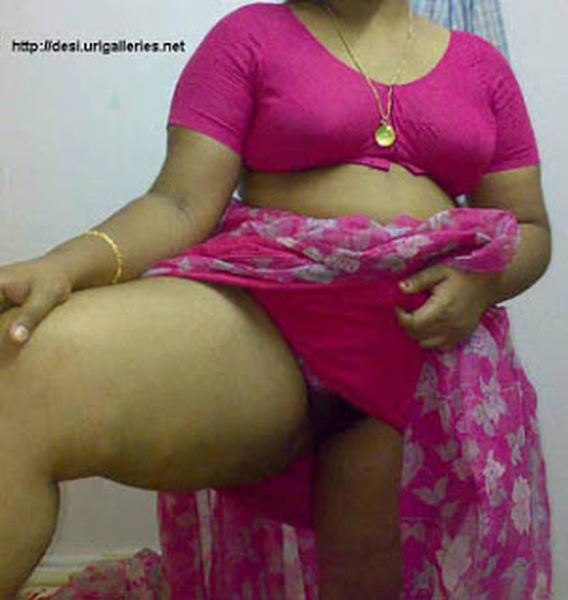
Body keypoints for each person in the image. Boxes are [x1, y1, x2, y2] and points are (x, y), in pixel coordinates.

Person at [0, 0, 552, 598]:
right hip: (269, 315)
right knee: (23, 372)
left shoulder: (481, 66)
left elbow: (530, 227)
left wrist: (484, 283)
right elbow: (178, 204)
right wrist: (63, 266)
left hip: (417, 348)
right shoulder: (250, 36)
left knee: (364, 579)